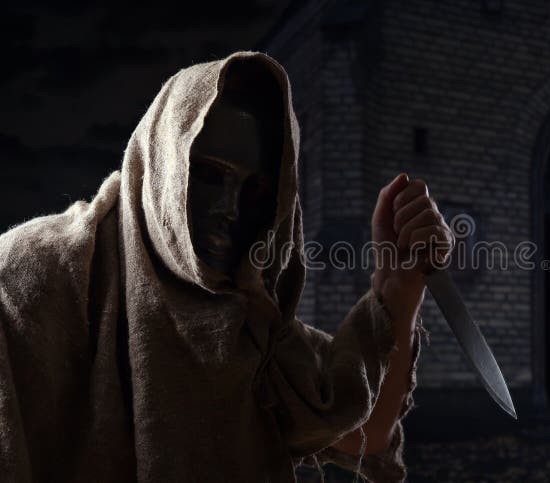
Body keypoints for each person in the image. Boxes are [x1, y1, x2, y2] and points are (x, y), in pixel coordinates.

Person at [0, 51, 453, 482]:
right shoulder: (36, 273)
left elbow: (359, 429)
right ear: (165, 163)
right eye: (210, 174)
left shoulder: (243, 316)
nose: (230, 209)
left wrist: (401, 282)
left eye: (254, 190)